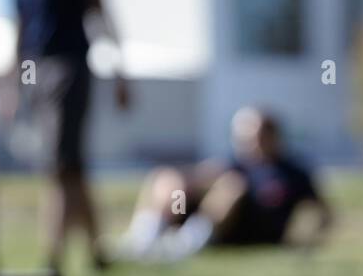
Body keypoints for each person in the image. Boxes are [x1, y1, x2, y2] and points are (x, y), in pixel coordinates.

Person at [3, 0, 130, 273]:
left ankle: (52, 256)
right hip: (34, 69)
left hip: (69, 67)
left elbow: (100, 11)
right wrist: (12, 85)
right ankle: (97, 251)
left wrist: (120, 69)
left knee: (58, 163)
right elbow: (19, 26)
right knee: (71, 165)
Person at [120, 107, 333, 261]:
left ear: (272, 135)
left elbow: (324, 214)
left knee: (231, 187)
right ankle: (144, 239)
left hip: (244, 233)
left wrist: (304, 243)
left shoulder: (293, 172)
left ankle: (184, 246)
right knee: (168, 178)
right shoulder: (233, 162)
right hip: (203, 219)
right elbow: (200, 175)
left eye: (255, 135)